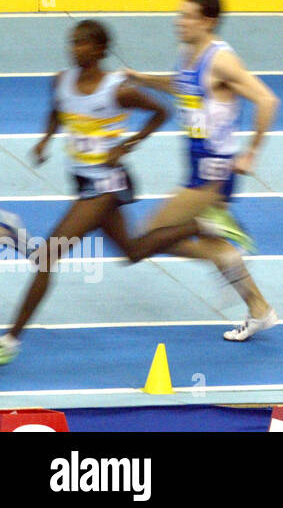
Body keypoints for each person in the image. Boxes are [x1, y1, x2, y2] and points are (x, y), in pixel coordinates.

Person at [0, 21, 242, 365]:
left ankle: (10, 340)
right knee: (132, 251)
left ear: (100, 50)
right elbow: (57, 110)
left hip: (107, 186)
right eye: (73, 43)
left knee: (48, 256)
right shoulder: (61, 81)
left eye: (84, 44)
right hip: (83, 182)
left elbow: (163, 111)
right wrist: (45, 139)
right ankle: (204, 226)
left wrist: (129, 143)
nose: (76, 49)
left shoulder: (118, 89)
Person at [126, 0, 281, 342]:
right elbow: (181, 85)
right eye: (179, 14)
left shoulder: (222, 61)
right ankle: (258, 308)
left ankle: (225, 253)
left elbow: (267, 100)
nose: (178, 22)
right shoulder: (187, 53)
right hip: (197, 167)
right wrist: (141, 79)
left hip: (214, 173)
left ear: (208, 21)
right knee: (196, 240)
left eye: (187, 16)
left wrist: (252, 151)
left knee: (150, 237)